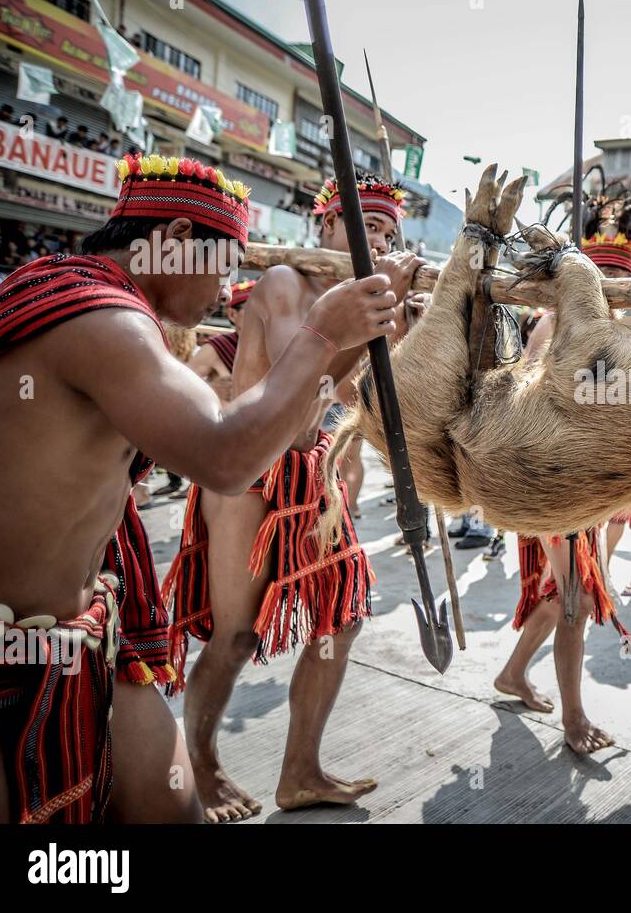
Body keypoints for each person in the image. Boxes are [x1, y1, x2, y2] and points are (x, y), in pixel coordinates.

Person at [0, 153, 399, 823]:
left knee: (174, 813)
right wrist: (326, 333)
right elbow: (226, 455)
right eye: (225, 262)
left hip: (86, 636)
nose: (227, 288)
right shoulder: (101, 317)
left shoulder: (83, 296)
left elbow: (300, 414)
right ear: (173, 241)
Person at [162, 172, 426, 823]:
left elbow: (339, 400)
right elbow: (296, 384)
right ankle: (201, 761)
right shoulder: (284, 282)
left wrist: (395, 330)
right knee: (235, 637)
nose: (379, 237)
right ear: (327, 226)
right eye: (366, 224)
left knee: (343, 616)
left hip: (313, 475)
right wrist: (369, 318)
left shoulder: (360, 301)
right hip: (252, 475)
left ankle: (300, 770)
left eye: (389, 230)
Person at [494, 194, 631, 751]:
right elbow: (529, 400)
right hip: (547, 481)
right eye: (602, 277)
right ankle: (573, 719)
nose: (610, 290)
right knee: (577, 601)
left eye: (620, 280)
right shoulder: (553, 325)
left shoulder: (626, 335)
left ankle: (513, 674)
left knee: (555, 594)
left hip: (583, 488)